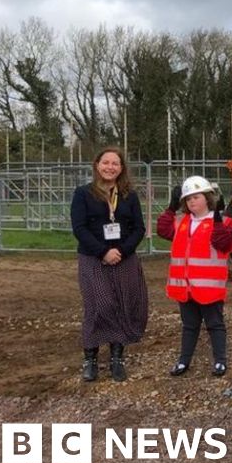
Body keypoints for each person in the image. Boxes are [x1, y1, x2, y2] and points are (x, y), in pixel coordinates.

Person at [70, 146, 149, 382]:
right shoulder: (83, 193)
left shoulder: (129, 195)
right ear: (97, 165)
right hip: (93, 258)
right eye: (106, 162)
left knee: (121, 305)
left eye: (115, 163)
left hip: (124, 258)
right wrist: (103, 252)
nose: (110, 167)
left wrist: (122, 251)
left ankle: (117, 357)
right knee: (99, 305)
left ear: (121, 168)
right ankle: (90, 358)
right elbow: (79, 228)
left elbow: (139, 228)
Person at [157, 176, 232, 377]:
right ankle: (184, 361)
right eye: (188, 198)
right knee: (189, 326)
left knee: (215, 325)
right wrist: (170, 208)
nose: (192, 201)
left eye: (197, 197)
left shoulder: (223, 222)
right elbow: (162, 229)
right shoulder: (182, 222)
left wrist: (217, 218)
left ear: (208, 198)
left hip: (209, 288)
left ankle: (220, 361)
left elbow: (223, 243)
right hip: (186, 288)